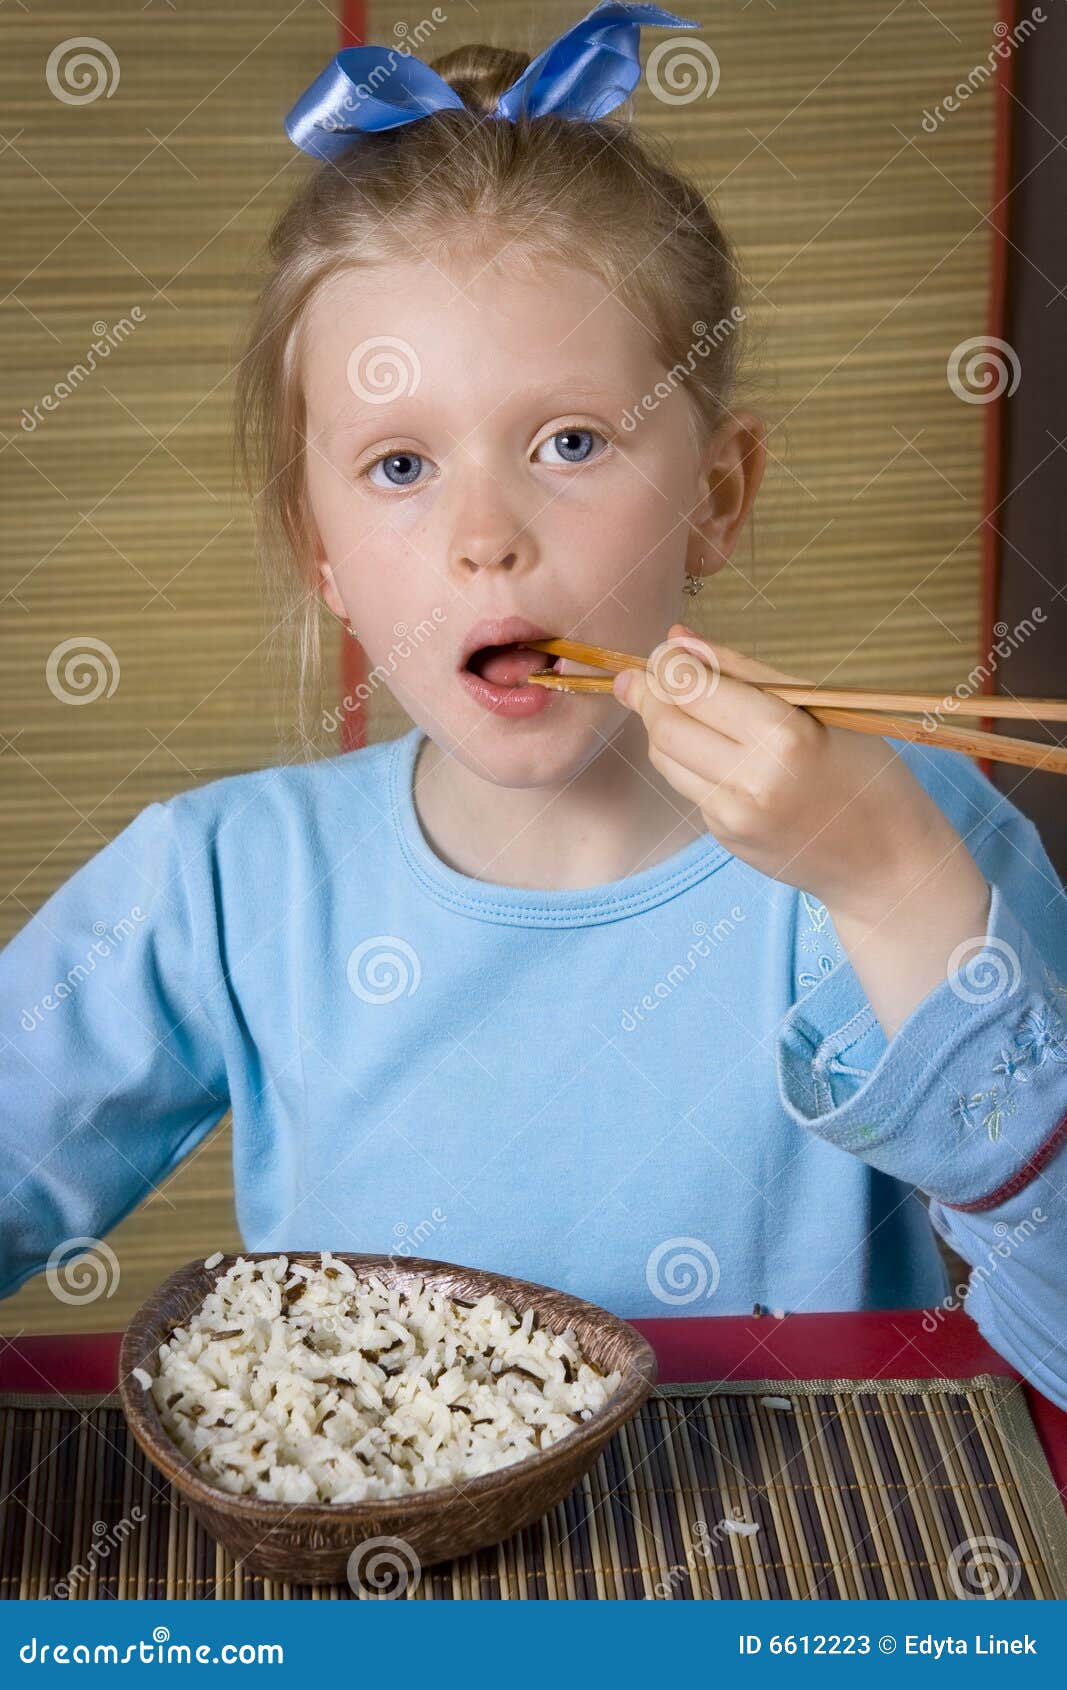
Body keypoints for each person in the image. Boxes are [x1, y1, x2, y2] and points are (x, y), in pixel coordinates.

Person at [3, 4, 1066, 1407]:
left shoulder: (898, 835)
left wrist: (890, 884)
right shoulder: (222, 882)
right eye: (398, 465)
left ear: (719, 494)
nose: (483, 535)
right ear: (319, 548)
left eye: (570, 440)